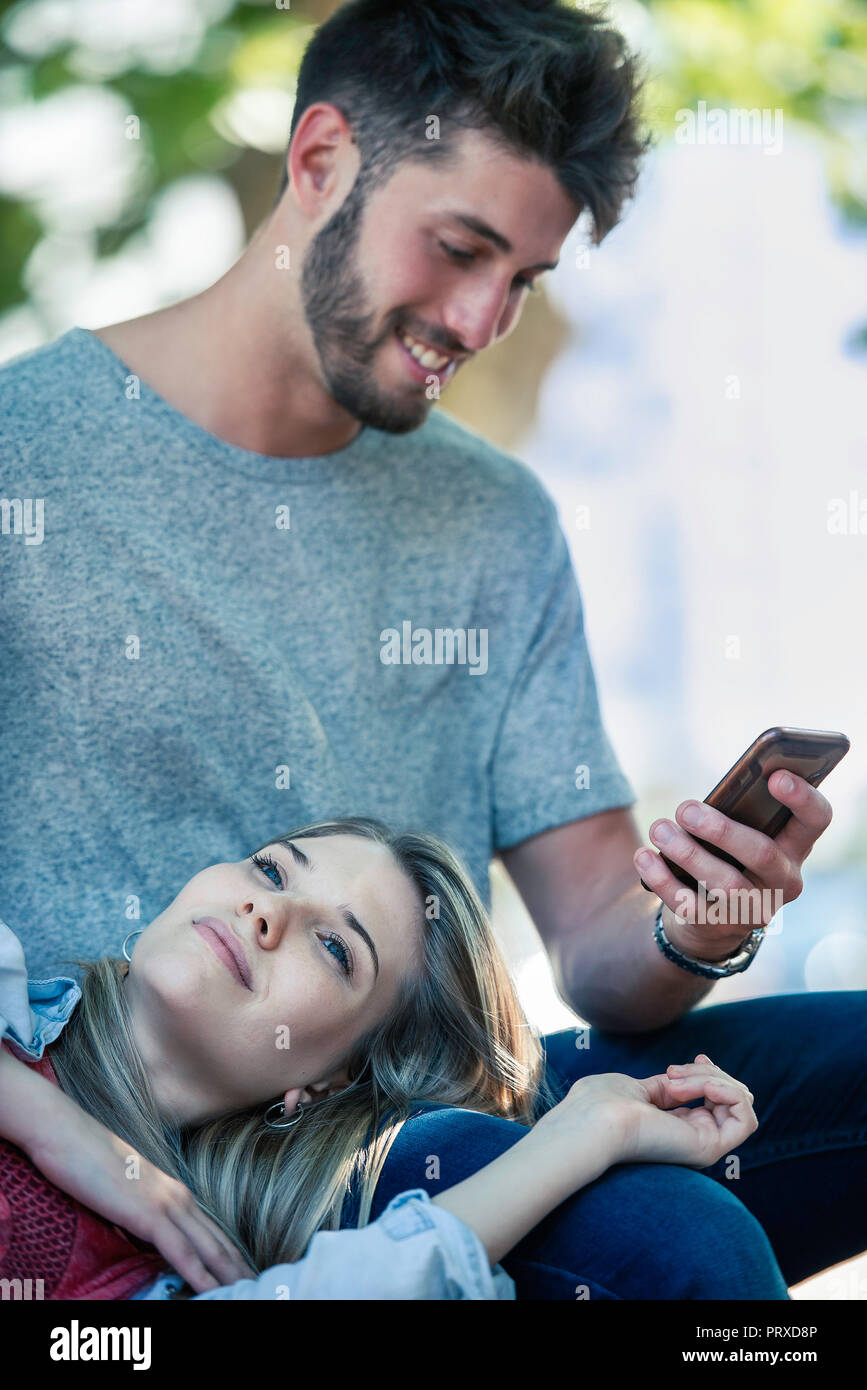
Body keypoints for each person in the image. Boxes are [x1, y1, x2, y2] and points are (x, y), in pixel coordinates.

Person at [0, 0, 863, 1298]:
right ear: (318, 161)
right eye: (459, 249)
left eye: (521, 278)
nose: (475, 318)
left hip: (422, 1091)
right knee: (672, 1238)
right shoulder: (27, 457)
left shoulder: (494, 520)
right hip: (188, 1153)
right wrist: (36, 1110)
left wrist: (701, 917)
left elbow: (599, 961)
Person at [1, 815, 761, 1301]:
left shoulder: (168, 1273)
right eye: (270, 870)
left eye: (334, 947)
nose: (267, 912)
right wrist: (45, 1121)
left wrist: (585, 1133)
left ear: (327, 1081)